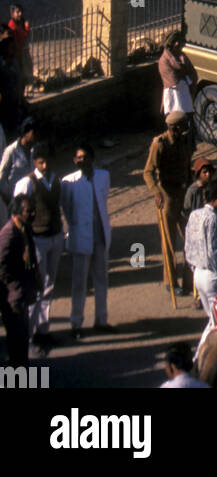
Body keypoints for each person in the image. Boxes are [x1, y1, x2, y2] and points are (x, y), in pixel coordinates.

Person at [13, 142, 62, 351]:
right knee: (35, 288)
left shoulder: (55, 180)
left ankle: (44, 330)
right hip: (37, 240)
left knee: (49, 287)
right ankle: (30, 337)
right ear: (35, 163)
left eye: (47, 162)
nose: (45, 166)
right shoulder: (27, 183)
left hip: (55, 236)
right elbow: (16, 214)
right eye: (41, 162)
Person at [61, 143, 112, 340]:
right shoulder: (68, 182)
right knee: (79, 282)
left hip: (100, 235)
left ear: (92, 158)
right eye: (78, 157)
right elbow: (66, 207)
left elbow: (103, 198)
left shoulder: (103, 176)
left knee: (101, 279)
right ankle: (76, 323)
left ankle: (101, 319)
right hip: (80, 236)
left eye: (85, 157)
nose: (81, 160)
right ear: (75, 161)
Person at [143, 110, 191, 294]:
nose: (187, 128)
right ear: (174, 128)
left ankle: (189, 282)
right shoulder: (159, 144)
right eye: (183, 125)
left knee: (189, 240)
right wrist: (156, 192)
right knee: (169, 243)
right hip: (167, 196)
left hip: (183, 192)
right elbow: (147, 172)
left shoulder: (184, 141)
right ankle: (171, 283)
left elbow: (187, 165)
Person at [185, 178, 217, 342]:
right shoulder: (215, 219)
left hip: (197, 273)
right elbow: (214, 251)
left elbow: (188, 245)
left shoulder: (194, 215)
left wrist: (194, 267)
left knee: (213, 320)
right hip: (211, 275)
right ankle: (200, 356)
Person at [0, 193, 40, 365]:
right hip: (12, 296)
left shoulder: (25, 228)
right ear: (18, 212)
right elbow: (1, 265)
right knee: (16, 337)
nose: (33, 215)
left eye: (33, 211)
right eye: (29, 211)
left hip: (22, 292)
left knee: (22, 335)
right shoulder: (9, 234)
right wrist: (14, 286)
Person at [157, 32, 196, 127]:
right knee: (174, 122)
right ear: (174, 44)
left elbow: (192, 73)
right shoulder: (164, 61)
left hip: (184, 96)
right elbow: (175, 81)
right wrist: (185, 76)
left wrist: (185, 75)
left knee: (187, 120)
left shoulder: (181, 56)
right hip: (173, 96)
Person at [0, 117, 36, 203]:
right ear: (26, 133)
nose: (36, 136)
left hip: (32, 198)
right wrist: (9, 198)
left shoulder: (35, 150)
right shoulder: (11, 151)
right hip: (15, 200)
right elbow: (1, 177)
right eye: (34, 133)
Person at [182, 158, 215, 226]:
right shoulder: (192, 190)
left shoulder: (214, 187)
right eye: (205, 172)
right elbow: (186, 211)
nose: (208, 174)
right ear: (198, 174)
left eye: (210, 171)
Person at [7, 5, 31, 98]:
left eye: (21, 11)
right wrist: (27, 28)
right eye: (17, 12)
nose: (20, 14)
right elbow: (23, 37)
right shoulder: (13, 26)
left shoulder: (18, 24)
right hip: (16, 56)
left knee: (22, 77)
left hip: (20, 54)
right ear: (12, 14)